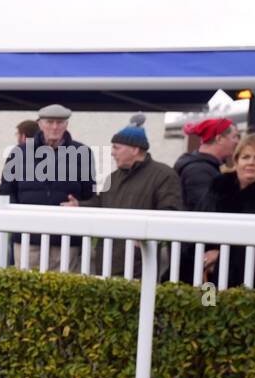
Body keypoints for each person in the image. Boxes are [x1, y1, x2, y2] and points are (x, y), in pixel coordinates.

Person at [61, 118, 182, 277]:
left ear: (135, 149)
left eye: (117, 148)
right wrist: (79, 206)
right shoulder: (113, 177)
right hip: (107, 260)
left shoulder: (164, 176)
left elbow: (170, 212)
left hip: (140, 263)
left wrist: (149, 236)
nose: (112, 152)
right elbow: (100, 203)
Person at [0, 103, 95, 268]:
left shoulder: (82, 153)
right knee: (24, 287)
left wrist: (79, 205)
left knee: (64, 289)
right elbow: (6, 190)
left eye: (60, 122)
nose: (55, 127)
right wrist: (18, 218)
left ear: (67, 124)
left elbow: (90, 194)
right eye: (50, 122)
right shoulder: (20, 152)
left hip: (66, 237)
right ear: (40, 124)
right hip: (28, 236)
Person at [201, 131, 255, 288]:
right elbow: (202, 223)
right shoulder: (218, 187)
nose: (251, 163)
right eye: (245, 157)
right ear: (236, 160)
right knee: (208, 307)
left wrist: (223, 255)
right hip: (209, 273)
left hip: (250, 278)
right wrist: (210, 252)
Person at [175, 118, 238, 211]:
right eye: (234, 137)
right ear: (219, 139)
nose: (237, 142)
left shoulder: (205, 167)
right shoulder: (198, 171)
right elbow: (205, 209)